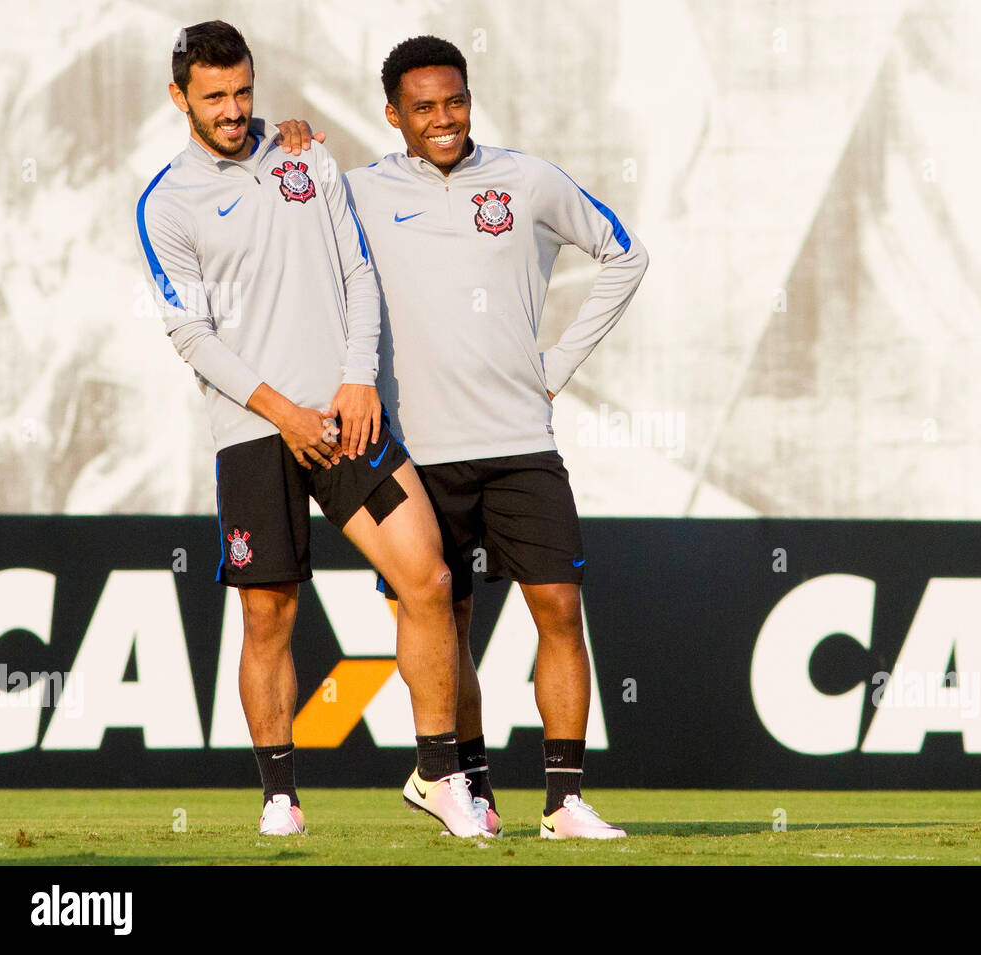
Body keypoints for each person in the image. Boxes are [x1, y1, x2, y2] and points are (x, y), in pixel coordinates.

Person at [134, 20, 490, 838]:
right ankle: (280, 797)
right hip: (255, 430)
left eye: (243, 91)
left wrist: (357, 374)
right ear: (179, 97)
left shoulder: (306, 156)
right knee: (269, 614)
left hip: (344, 413)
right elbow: (191, 336)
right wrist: (282, 411)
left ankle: (439, 774)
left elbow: (357, 270)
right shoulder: (166, 201)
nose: (233, 110)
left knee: (428, 580)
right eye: (214, 96)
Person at [344, 35, 649, 838]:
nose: (443, 119)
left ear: (469, 99)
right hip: (413, 449)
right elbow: (288, 220)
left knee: (559, 603)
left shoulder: (529, 180)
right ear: (393, 116)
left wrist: (556, 367)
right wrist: (289, 136)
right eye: (424, 108)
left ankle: (564, 801)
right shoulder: (359, 192)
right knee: (443, 621)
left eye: (455, 101)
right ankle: (463, 784)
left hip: (520, 438)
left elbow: (625, 255)